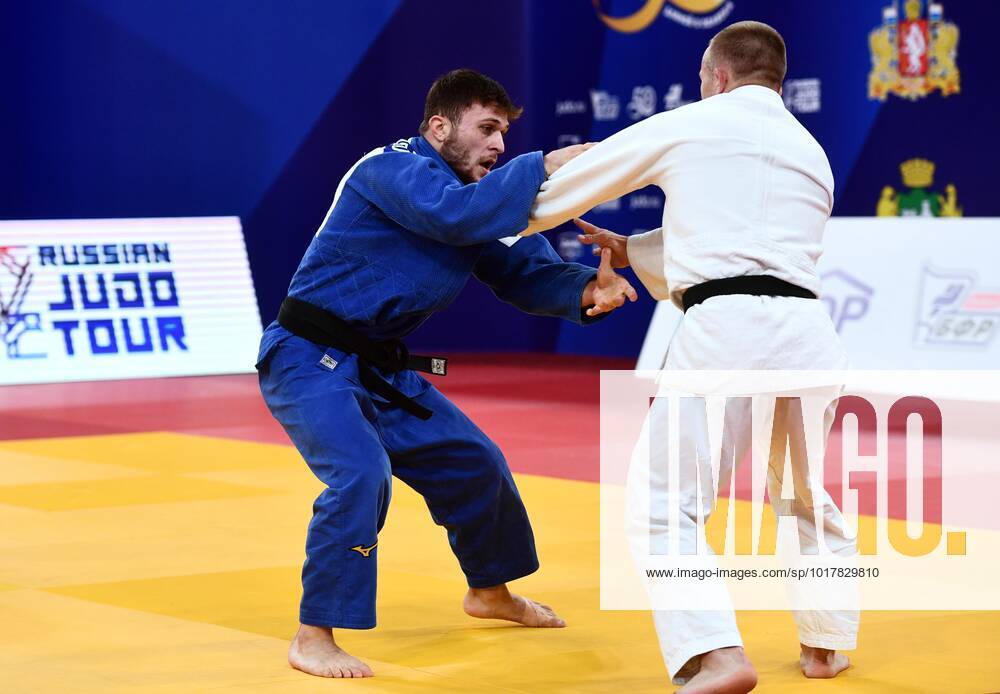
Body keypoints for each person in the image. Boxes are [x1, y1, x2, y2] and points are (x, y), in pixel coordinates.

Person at [255, 68, 638, 679]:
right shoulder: (390, 169)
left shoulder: (476, 198)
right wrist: (545, 165)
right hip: (307, 355)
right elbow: (455, 217)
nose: (498, 145)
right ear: (439, 126)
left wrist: (589, 290)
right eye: (486, 129)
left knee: (474, 460)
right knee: (360, 474)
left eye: (504, 133)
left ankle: (489, 591)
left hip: (380, 365)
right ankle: (313, 634)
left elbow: (522, 271)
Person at [521, 21, 857, 693]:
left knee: (663, 502)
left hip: (728, 330)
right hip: (808, 333)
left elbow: (570, 187)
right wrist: (634, 250)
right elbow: (746, 237)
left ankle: (716, 654)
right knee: (804, 493)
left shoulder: (695, 123)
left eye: (703, 78)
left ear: (719, 76)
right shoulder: (811, 153)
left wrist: (475, 216)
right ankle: (826, 644)